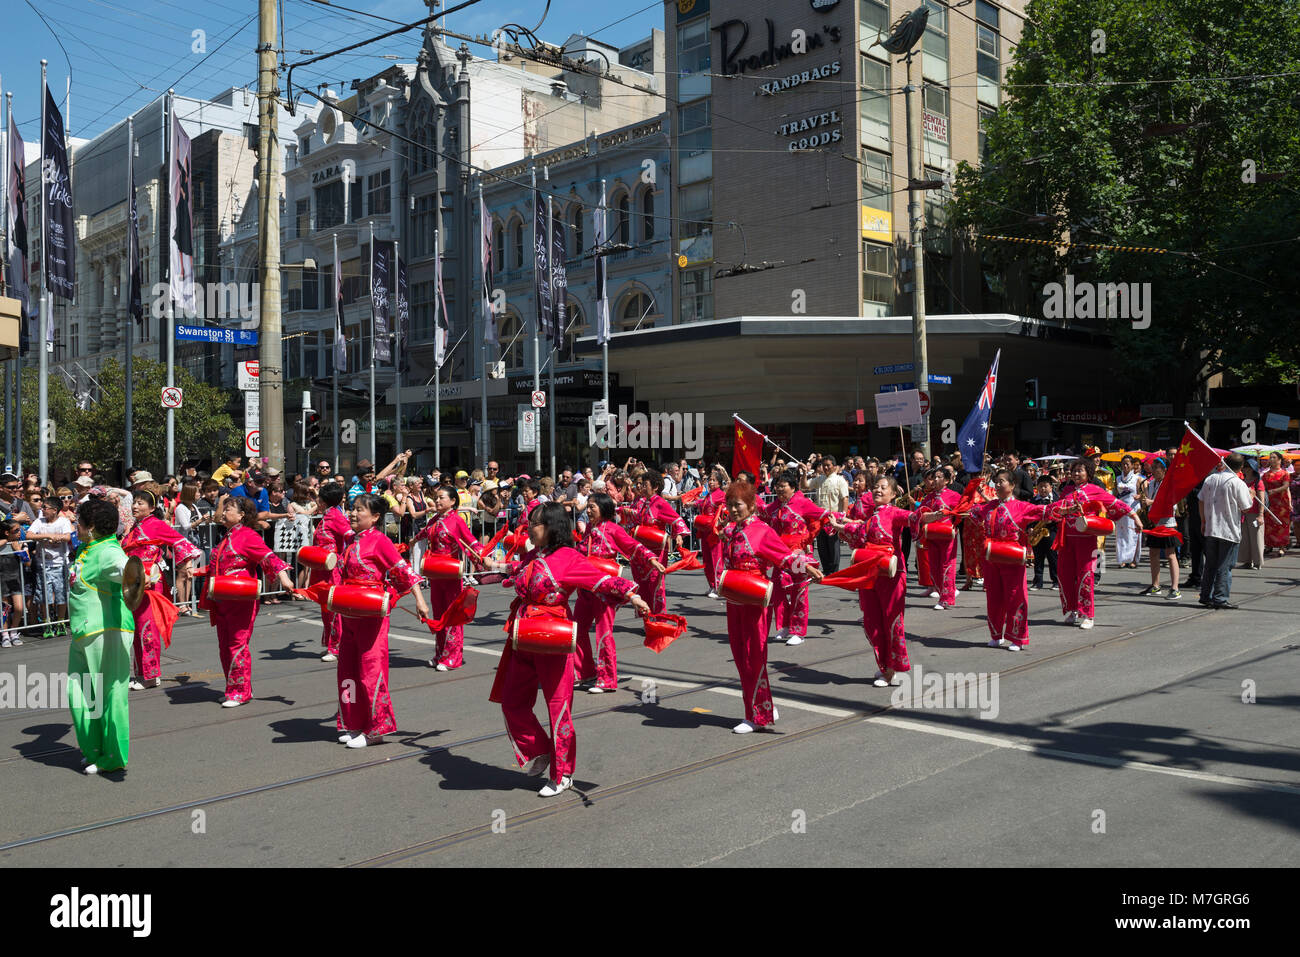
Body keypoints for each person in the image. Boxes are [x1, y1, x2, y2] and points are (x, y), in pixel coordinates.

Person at [485, 502, 649, 795]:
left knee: (557, 705)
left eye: (533, 523)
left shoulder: (570, 558)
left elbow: (600, 580)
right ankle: (540, 749)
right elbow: (515, 570)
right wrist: (491, 569)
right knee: (511, 700)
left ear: (551, 527)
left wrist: (632, 595)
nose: (529, 528)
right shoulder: (535, 554)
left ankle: (562, 774)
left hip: (553, 636)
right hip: (523, 634)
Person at [718, 481, 819, 733]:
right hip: (734, 599)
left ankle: (755, 716)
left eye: (738, 504)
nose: (733, 509)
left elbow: (784, 558)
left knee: (754, 657)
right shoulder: (730, 530)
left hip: (754, 599)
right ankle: (762, 705)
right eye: (730, 504)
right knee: (740, 656)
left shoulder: (762, 531)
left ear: (751, 506)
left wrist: (805, 566)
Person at [335, 494, 430, 747]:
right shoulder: (350, 539)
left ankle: (375, 728)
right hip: (349, 613)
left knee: (370, 670)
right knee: (347, 670)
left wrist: (420, 601)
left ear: (375, 517)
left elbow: (403, 571)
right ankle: (352, 723)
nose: (353, 514)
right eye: (352, 509)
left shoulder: (380, 541)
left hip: (371, 614)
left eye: (359, 511)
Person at [202, 497, 301, 706]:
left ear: (242, 515)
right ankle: (234, 687)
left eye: (229, 508)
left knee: (237, 644)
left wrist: (284, 577)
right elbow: (222, 565)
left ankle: (240, 692)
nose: (224, 510)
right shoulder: (229, 535)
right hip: (222, 597)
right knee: (224, 645)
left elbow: (267, 556)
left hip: (240, 598)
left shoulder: (247, 535)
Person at [67, 498, 134, 776]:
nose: (75, 524)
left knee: (110, 694)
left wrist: (137, 574)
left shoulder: (107, 550)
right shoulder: (88, 548)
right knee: (80, 692)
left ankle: (113, 757)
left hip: (107, 632)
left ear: (91, 526)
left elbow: (124, 568)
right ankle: (94, 749)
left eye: (78, 520)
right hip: (84, 631)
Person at [573, 492, 665, 693]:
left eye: (592, 507)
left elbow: (633, 546)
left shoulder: (613, 529)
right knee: (577, 629)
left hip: (606, 588)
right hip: (586, 587)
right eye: (587, 507)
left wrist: (650, 559)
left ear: (603, 509)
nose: (588, 511)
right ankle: (585, 671)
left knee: (603, 632)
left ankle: (607, 679)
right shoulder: (589, 529)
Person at [827, 475, 913, 686]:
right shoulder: (871, 517)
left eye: (884, 488)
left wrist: (927, 512)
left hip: (891, 574)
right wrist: (837, 526)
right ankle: (884, 665)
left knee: (892, 621)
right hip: (871, 573)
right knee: (872, 621)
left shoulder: (896, 513)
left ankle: (892, 669)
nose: (878, 490)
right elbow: (857, 531)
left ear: (893, 494)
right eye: (876, 487)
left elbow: (914, 518)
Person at [1046, 459, 1140, 629]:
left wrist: (1136, 518)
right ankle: (1072, 610)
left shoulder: (1095, 490)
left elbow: (1116, 503)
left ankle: (1087, 614)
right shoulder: (1066, 490)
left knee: (1085, 576)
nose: (1076, 474)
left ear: (1088, 473)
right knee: (1064, 575)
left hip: (1086, 540)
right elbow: (1056, 510)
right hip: (1066, 539)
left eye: (1080, 471)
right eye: (1074, 471)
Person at [121, 489, 198, 689]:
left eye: (141, 503)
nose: (135, 506)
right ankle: (142, 674)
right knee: (137, 629)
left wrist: (187, 564)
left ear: (152, 508)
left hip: (150, 583)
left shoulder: (155, 524)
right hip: (134, 582)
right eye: (134, 503)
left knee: (147, 629)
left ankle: (149, 676)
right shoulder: (135, 527)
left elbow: (180, 542)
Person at [968, 470, 1047, 650]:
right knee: (994, 597)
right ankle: (996, 634)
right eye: (996, 481)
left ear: (1012, 486)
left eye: (1001, 481)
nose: (997, 484)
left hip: (1012, 557)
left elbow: (1043, 511)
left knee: (1015, 596)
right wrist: (972, 495)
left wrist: (1067, 508)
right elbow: (972, 513)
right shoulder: (989, 506)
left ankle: (1018, 638)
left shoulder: (1021, 506)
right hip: (991, 557)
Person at [417, 485, 485, 671]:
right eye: (436, 498)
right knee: (439, 614)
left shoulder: (457, 521)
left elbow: (471, 541)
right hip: (435, 573)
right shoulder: (435, 519)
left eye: (441, 498)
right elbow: (424, 533)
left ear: (453, 501)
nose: (437, 501)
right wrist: (412, 541)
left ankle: (452, 657)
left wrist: (482, 556)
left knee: (452, 615)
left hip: (451, 573)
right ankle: (440, 653)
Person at [762, 469, 829, 646]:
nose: (779, 489)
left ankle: (798, 631)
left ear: (793, 488)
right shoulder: (774, 506)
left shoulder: (802, 502)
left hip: (798, 553)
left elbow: (822, 515)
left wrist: (845, 522)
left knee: (799, 591)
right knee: (778, 589)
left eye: (783, 486)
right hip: (780, 554)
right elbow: (760, 518)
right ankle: (784, 625)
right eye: (777, 486)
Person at [626, 469, 689, 615]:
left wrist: (678, 534)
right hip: (641, 551)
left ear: (655, 487)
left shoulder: (660, 503)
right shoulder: (643, 503)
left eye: (645, 484)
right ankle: (647, 620)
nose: (642, 487)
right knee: (642, 585)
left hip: (656, 552)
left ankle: (660, 620)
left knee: (656, 585)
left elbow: (676, 519)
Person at [1198, 454, 1253, 610]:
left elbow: (1200, 500)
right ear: (1241, 467)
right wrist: (1252, 495)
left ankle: (1205, 595)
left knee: (1210, 564)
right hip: (1228, 530)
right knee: (1224, 565)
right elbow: (1246, 507)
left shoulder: (1210, 479)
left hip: (1211, 527)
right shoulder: (1237, 483)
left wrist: (1203, 520)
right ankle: (1220, 597)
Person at [309, 483, 352, 662]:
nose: (317, 500)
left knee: (333, 608)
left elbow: (350, 535)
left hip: (333, 569)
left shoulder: (335, 516)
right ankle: (331, 643)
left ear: (324, 500)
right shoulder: (328, 515)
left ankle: (336, 647)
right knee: (326, 608)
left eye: (319, 497)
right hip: (323, 568)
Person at [914, 468, 962, 611]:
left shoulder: (954, 495)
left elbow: (963, 510)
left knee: (947, 565)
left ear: (947, 480)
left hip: (947, 535)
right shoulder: (928, 497)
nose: (935, 480)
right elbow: (920, 514)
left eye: (939, 477)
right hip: (933, 535)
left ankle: (946, 599)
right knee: (934, 567)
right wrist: (931, 515)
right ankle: (946, 592)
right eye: (934, 477)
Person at [28, 491, 74, 636]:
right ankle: (47, 622)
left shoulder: (63, 521)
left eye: (45, 507)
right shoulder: (39, 521)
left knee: (61, 593)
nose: (42, 509)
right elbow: (29, 535)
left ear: (54, 510)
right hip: (43, 564)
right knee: (44, 595)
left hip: (60, 564)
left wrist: (57, 538)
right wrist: (47, 536)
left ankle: (60, 621)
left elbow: (67, 536)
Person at [1138, 458, 1182, 600]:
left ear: (1165, 470)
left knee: (1170, 555)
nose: (1154, 468)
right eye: (1154, 466)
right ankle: (1155, 585)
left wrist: (1151, 502)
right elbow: (1150, 502)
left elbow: (1171, 505)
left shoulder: (1169, 484)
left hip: (1167, 523)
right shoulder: (1151, 484)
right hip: (1155, 524)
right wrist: (1143, 501)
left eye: (1158, 466)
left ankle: (1175, 588)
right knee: (1153, 553)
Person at [808, 456, 850, 574]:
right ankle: (826, 569)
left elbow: (845, 498)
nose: (826, 467)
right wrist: (804, 473)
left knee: (833, 544)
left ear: (834, 467)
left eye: (828, 465)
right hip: (820, 517)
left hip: (833, 517)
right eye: (824, 465)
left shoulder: (839, 480)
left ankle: (834, 570)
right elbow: (806, 485)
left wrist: (842, 516)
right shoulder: (819, 479)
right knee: (821, 544)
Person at [0, 521, 28, 645]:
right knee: (4, 609)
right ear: (7, 533)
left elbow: (28, 562)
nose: (19, 533)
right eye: (16, 530)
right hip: (2, 580)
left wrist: (19, 551)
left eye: (19, 530)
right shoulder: (2, 543)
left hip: (15, 579)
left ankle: (14, 632)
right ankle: (5, 634)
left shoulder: (20, 544)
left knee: (19, 607)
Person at [1113, 455, 1144, 568]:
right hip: (1121, 509)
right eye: (1123, 464)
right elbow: (1115, 494)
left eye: (1127, 464)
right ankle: (1122, 559)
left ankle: (1133, 559)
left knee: (1133, 534)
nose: (1125, 466)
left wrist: (1140, 496)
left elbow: (1144, 494)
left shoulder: (1138, 478)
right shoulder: (1118, 478)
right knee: (1121, 534)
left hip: (1133, 508)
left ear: (1132, 465)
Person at [1029, 476, 1060, 590]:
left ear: (1051, 488)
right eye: (1040, 486)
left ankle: (1056, 581)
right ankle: (1037, 582)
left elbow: (1061, 515)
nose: (1043, 489)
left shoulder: (1056, 500)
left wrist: (1053, 519)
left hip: (1051, 531)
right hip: (1037, 531)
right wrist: (1030, 528)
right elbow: (1029, 516)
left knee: (1053, 558)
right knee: (1038, 558)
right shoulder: (1033, 501)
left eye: (1045, 486)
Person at [1262, 451, 1292, 555]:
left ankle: (1282, 547)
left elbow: (1286, 486)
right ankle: (1269, 545)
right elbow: (1263, 488)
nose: (1272, 459)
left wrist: (1274, 491)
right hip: (1270, 503)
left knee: (1282, 524)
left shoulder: (1285, 473)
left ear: (1279, 460)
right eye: (1271, 457)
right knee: (1269, 525)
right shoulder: (1265, 474)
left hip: (1282, 503)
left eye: (1274, 457)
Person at [1239, 462, 1266, 570]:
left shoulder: (1258, 482)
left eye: (1245, 466)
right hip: (1244, 513)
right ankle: (1247, 561)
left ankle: (1257, 562)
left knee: (1256, 539)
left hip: (1255, 514)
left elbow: (1262, 500)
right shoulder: (1242, 482)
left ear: (1251, 469)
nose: (1243, 468)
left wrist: (1260, 515)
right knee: (1245, 539)